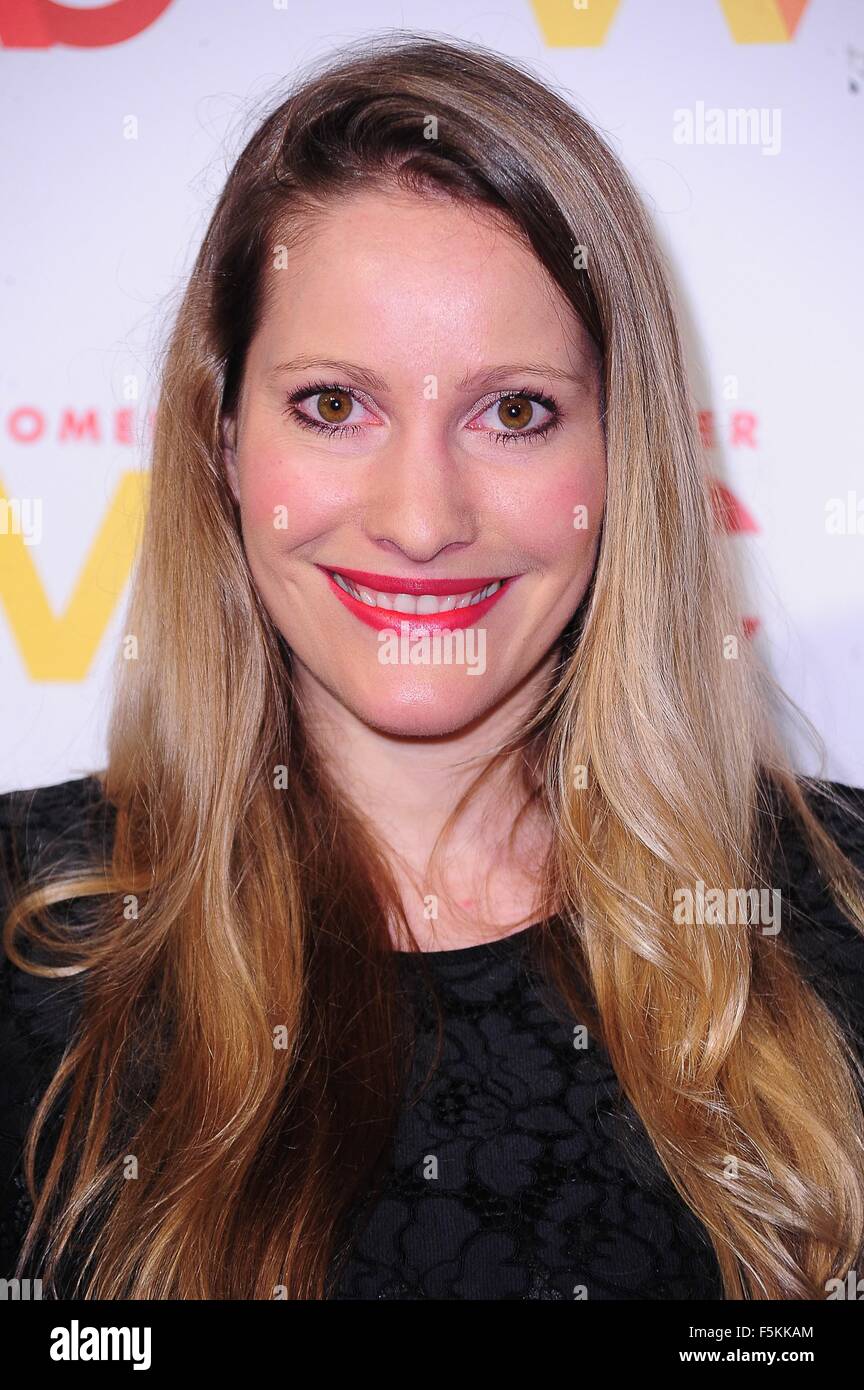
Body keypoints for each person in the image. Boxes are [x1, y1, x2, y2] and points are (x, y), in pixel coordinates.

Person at [2, 32, 863, 1302]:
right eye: (334, 405)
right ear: (223, 436)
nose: (420, 517)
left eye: (514, 410)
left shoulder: (836, 921)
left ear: (624, 457)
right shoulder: (32, 936)